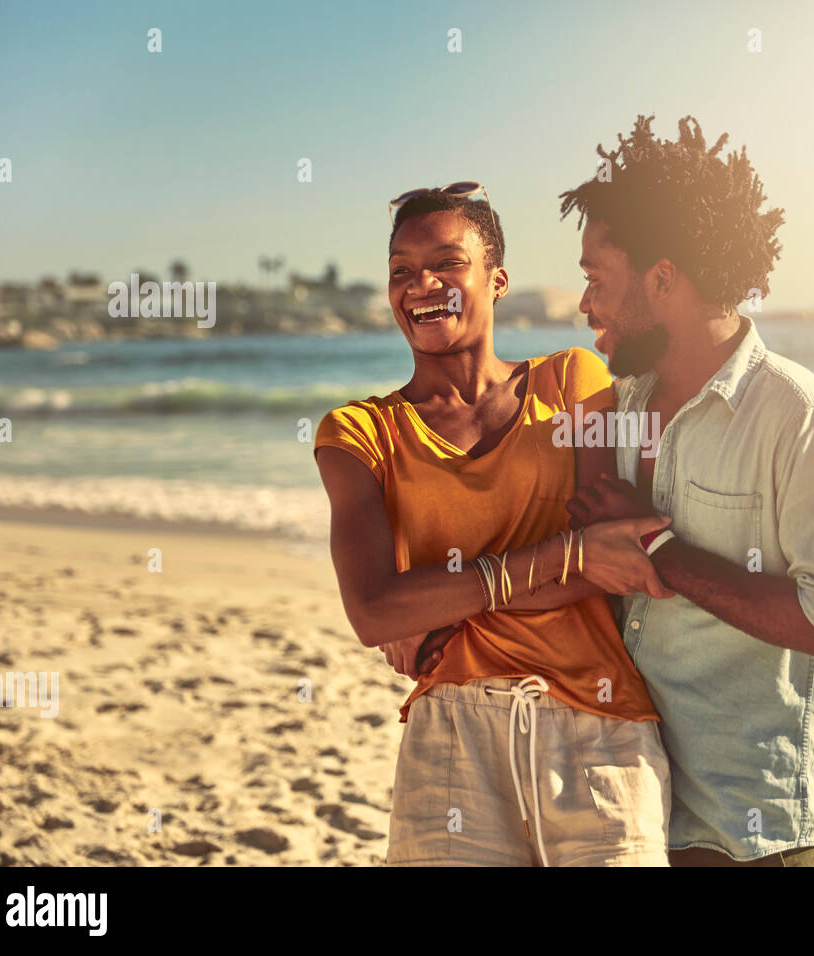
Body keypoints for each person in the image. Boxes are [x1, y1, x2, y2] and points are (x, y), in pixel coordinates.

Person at [560, 116, 814, 866]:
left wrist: (660, 547)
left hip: (757, 835)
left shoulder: (796, 414)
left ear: (663, 278)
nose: (586, 305)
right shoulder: (619, 409)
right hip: (636, 819)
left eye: (596, 278)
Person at [313, 186, 673, 866]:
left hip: (598, 730)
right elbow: (372, 611)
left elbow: (609, 560)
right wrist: (566, 554)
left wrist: (441, 597)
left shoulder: (574, 380)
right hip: (450, 740)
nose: (422, 285)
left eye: (448, 263)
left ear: (496, 279)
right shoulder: (360, 433)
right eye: (401, 270)